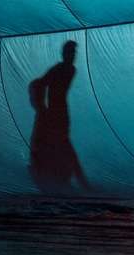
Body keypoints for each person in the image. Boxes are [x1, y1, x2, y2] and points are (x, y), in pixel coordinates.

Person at [28, 40, 90, 194]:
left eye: (74, 53)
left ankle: (70, 181)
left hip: (59, 115)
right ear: (64, 54)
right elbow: (40, 84)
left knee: (62, 147)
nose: (73, 56)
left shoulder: (68, 69)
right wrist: (40, 106)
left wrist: (40, 105)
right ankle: (75, 182)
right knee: (61, 147)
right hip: (55, 114)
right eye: (71, 53)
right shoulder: (61, 69)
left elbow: (40, 84)